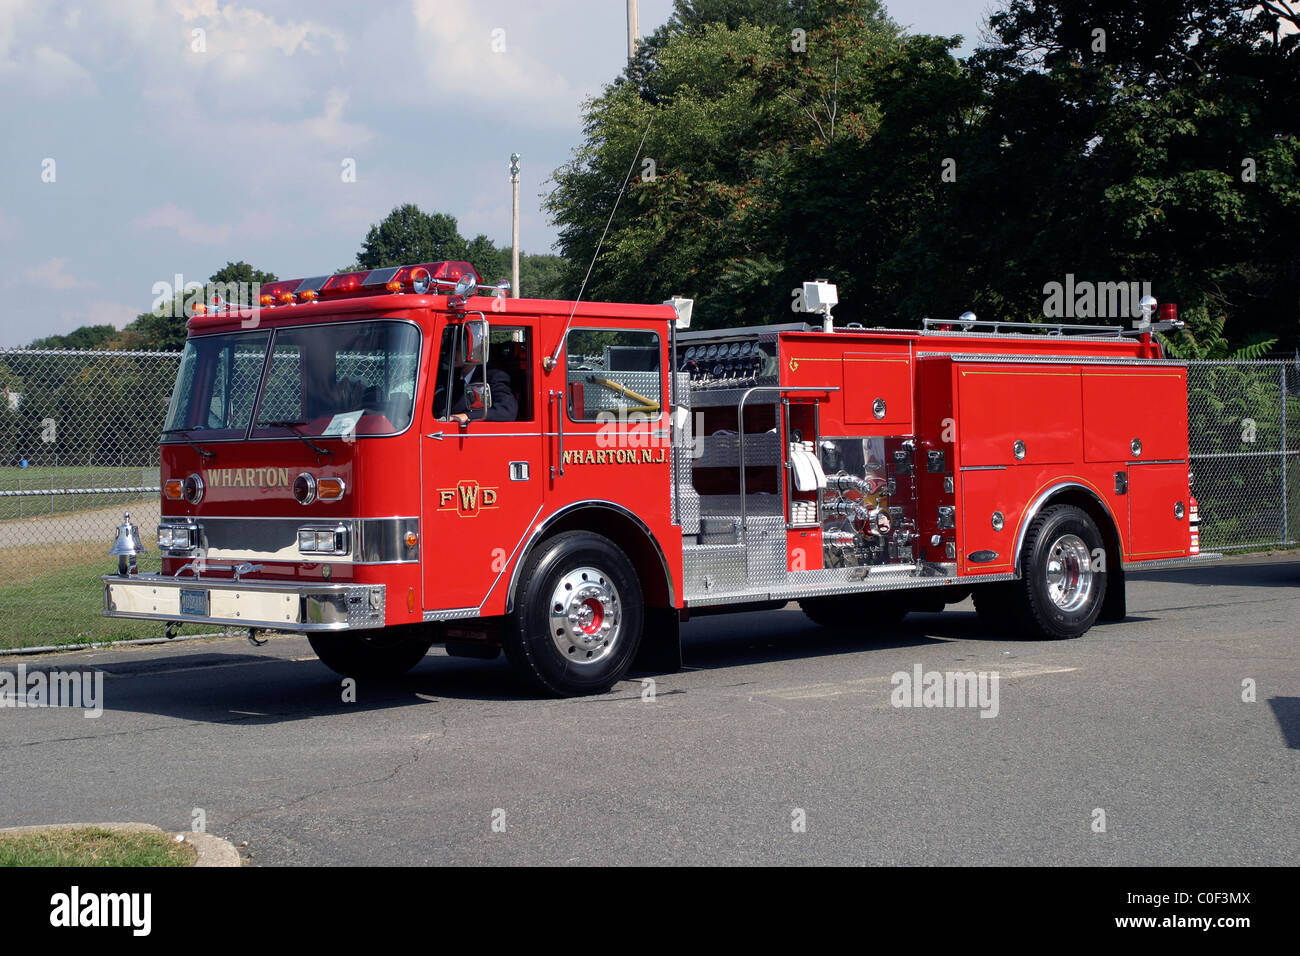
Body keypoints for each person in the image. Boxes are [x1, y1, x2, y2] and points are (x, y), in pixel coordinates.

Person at [438, 360, 518, 422]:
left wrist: (467, 416)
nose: (452, 352)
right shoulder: (449, 377)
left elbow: (507, 410)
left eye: (458, 348)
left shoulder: (492, 377)